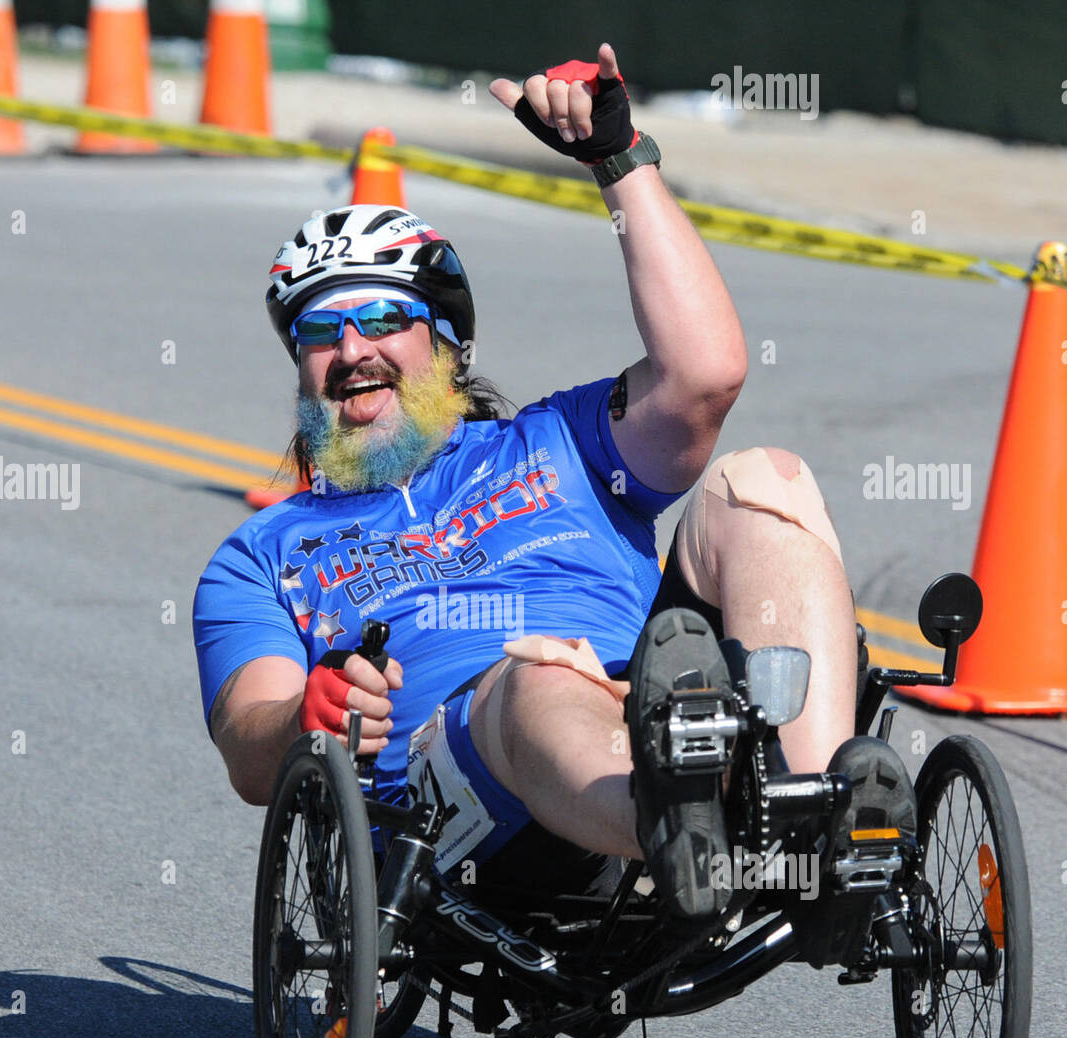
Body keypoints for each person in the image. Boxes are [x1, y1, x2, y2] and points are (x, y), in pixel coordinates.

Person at [193, 43, 915, 924]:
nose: (350, 352)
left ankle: (809, 815)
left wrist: (619, 161)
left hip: (651, 698)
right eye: (320, 330)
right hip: (467, 791)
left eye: (382, 316)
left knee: (763, 483)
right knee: (533, 677)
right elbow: (246, 747)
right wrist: (308, 712)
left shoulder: (559, 441)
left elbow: (707, 376)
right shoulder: (261, 555)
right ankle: (673, 821)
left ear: (445, 346)